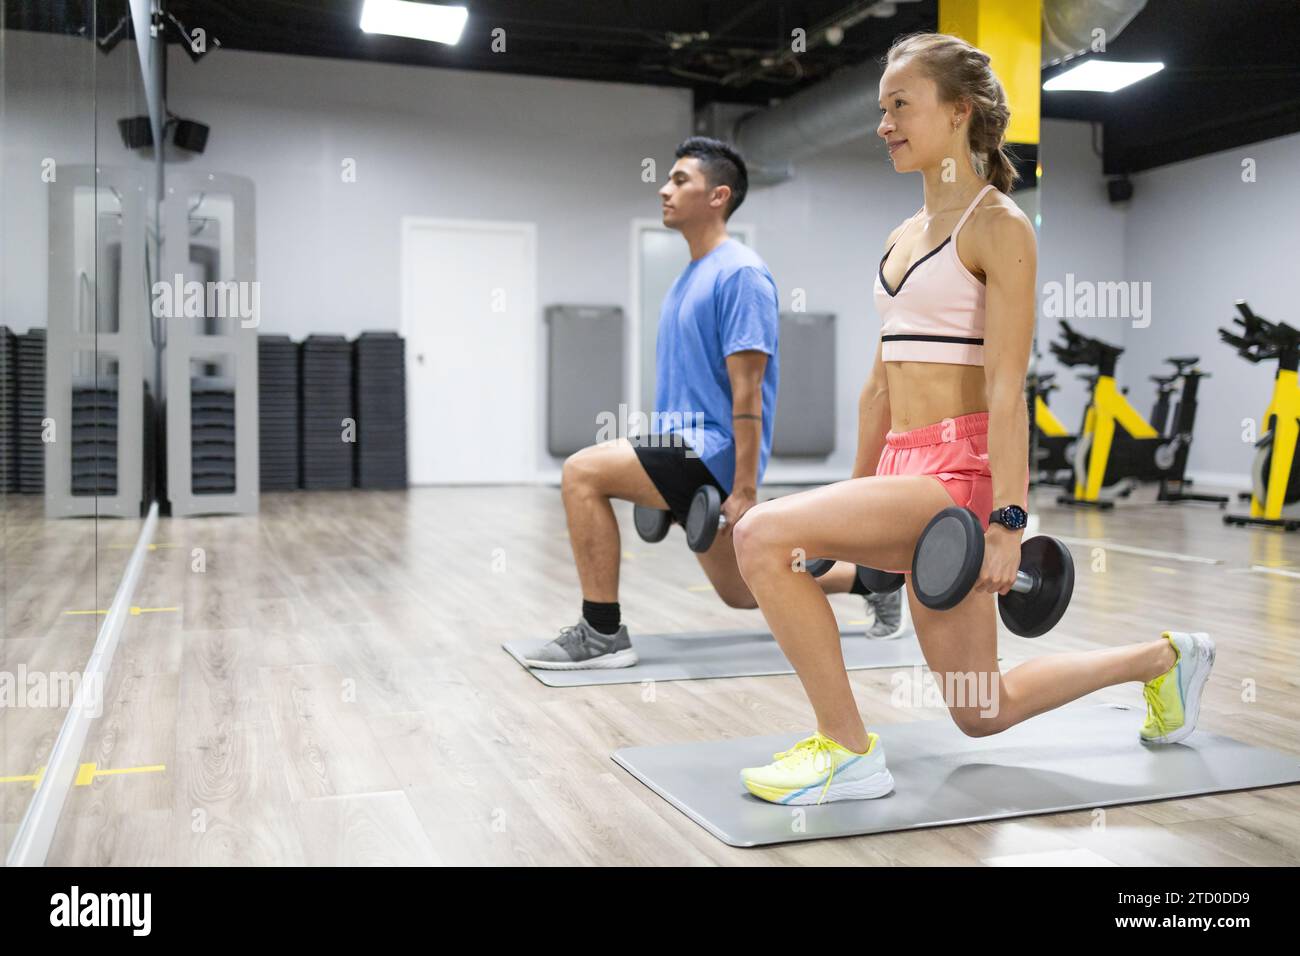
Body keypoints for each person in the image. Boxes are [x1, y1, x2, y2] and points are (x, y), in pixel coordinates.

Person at [730, 33, 1216, 804]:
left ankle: (848, 752)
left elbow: (1005, 388)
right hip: (900, 465)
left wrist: (1010, 520)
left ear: (957, 112)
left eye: (900, 106)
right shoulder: (899, 238)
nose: (884, 123)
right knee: (981, 710)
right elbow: (877, 392)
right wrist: (840, 511)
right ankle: (1166, 659)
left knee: (759, 534)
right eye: (881, 108)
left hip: (958, 477)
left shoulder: (999, 228)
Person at [528, 137, 870, 669]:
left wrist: (746, 488)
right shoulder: (689, 277)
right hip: (680, 443)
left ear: (719, 196)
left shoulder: (741, 275)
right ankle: (872, 580)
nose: (665, 189)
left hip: (708, 450)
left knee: (581, 473)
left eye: (680, 180)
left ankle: (601, 633)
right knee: (740, 590)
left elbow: (748, 390)